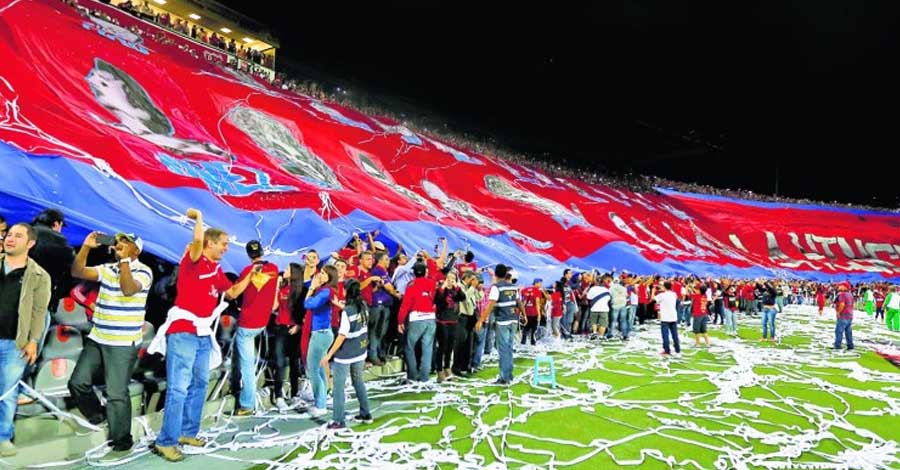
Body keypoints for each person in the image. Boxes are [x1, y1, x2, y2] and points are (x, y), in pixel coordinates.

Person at [151, 209, 257, 462]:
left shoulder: (216, 269)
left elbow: (230, 293)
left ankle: (188, 432)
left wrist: (250, 276)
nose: (226, 249)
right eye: (224, 244)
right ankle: (165, 441)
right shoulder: (193, 260)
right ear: (211, 243)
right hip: (183, 332)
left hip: (201, 334)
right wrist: (198, 218)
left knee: (199, 384)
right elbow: (197, 241)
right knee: (178, 388)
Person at [68, 231, 152, 454]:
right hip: (99, 336)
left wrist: (124, 260)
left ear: (137, 250)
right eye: (119, 241)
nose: (120, 245)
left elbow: (128, 289)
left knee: (116, 393)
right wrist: (86, 247)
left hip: (123, 342)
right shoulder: (108, 268)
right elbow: (77, 271)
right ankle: (99, 416)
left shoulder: (145, 271)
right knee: (77, 382)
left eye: (127, 242)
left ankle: (122, 440)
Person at [0, 224, 51, 457]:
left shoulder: (40, 276)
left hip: (14, 343)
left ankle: (3, 438)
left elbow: (39, 313)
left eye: (17, 236)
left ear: (30, 244)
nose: (10, 238)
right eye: (9, 234)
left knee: (7, 393)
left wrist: (33, 341)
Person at [233, 241, 279, 416]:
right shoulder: (274, 268)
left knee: (246, 365)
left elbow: (236, 292)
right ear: (262, 251)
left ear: (248, 255)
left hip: (247, 323)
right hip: (263, 321)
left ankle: (247, 403)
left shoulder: (246, 272)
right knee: (248, 361)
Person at [321, 279, 372, 429]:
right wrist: (340, 306)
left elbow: (342, 335)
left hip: (346, 352)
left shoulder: (346, 312)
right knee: (358, 381)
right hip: (361, 349)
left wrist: (329, 354)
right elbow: (353, 314)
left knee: (338, 387)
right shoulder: (363, 305)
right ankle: (365, 413)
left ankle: (338, 420)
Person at [475, 264, 525, 385]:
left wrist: (481, 320)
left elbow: (490, 306)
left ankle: (504, 378)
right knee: (508, 348)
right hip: (513, 320)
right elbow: (519, 302)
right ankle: (509, 374)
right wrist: (524, 314)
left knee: (502, 349)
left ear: (496, 274)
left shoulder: (496, 287)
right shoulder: (513, 287)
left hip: (502, 321)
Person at [304, 265, 338, 417]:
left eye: (324, 273)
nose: (320, 274)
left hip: (320, 334)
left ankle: (320, 404)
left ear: (330, 276)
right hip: (323, 333)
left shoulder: (325, 292)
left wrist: (311, 289)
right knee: (319, 368)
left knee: (313, 369)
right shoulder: (326, 291)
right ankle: (322, 399)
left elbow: (308, 304)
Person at [397, 262, 436, 383]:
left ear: (413, 273)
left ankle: (412, 376)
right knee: (427, 348)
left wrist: (400, 321)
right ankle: (424, 377)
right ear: (425, 272)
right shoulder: (432, 283)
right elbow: (435, 269)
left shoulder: (411, 285)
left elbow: (405, 305)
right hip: (430, 318)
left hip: (416, 318)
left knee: (409, 347)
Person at [271, 263, 303, 412]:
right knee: (279, 362)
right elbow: (274, 307)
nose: (285, 271)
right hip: (280, 327)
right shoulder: (282, 288)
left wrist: (298, 326)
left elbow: (304, 312)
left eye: (288, 269)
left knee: (294, 362)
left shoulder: (301, 291)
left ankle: (295, 393)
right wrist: (277, 286)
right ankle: (278, 395)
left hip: (294, 329)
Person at [655, 281, 680, 356]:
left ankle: (667, 350)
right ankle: (677, 349)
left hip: (665, 318)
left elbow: (654, 299)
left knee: (665, 335)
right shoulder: (674, 294)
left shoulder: (661, 295)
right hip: (673, 317)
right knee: (675, 334)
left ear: (664, 287)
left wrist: (653, 291)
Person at [834, 282, 855, 351]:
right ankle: (850, 345)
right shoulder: (850, 294)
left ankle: (837, 345)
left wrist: (838, 312)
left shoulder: (842, 294)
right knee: (848, 332)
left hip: (843, 315)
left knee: (839, 331)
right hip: (849, 315)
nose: (839, 287)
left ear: (845, 287)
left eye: (840, 285)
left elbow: (842, 304)